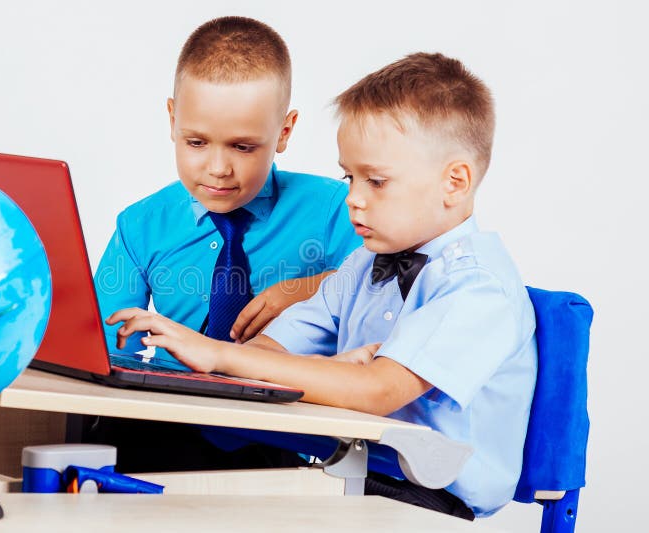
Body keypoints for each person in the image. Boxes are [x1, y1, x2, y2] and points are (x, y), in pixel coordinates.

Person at [110, 52, 538, 519]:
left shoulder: (478, 287)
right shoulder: (361, 265)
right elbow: (266, 352)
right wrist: (323, 366)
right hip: (341, 477)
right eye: (349, 177)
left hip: (425, 502)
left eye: (376, 181)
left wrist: (217, 352)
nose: (353, 198)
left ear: (454, 182)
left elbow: (378, 391)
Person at [87, 16, 360, 471]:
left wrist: (304, 288)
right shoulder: (140, 226)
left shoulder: (336, 208)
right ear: (172, 119)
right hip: (165, 422)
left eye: (243, 147)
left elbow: (384, 285)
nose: (217, 168)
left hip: (286, 433)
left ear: (285, 132)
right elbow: (101, 346)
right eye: (196, 142)